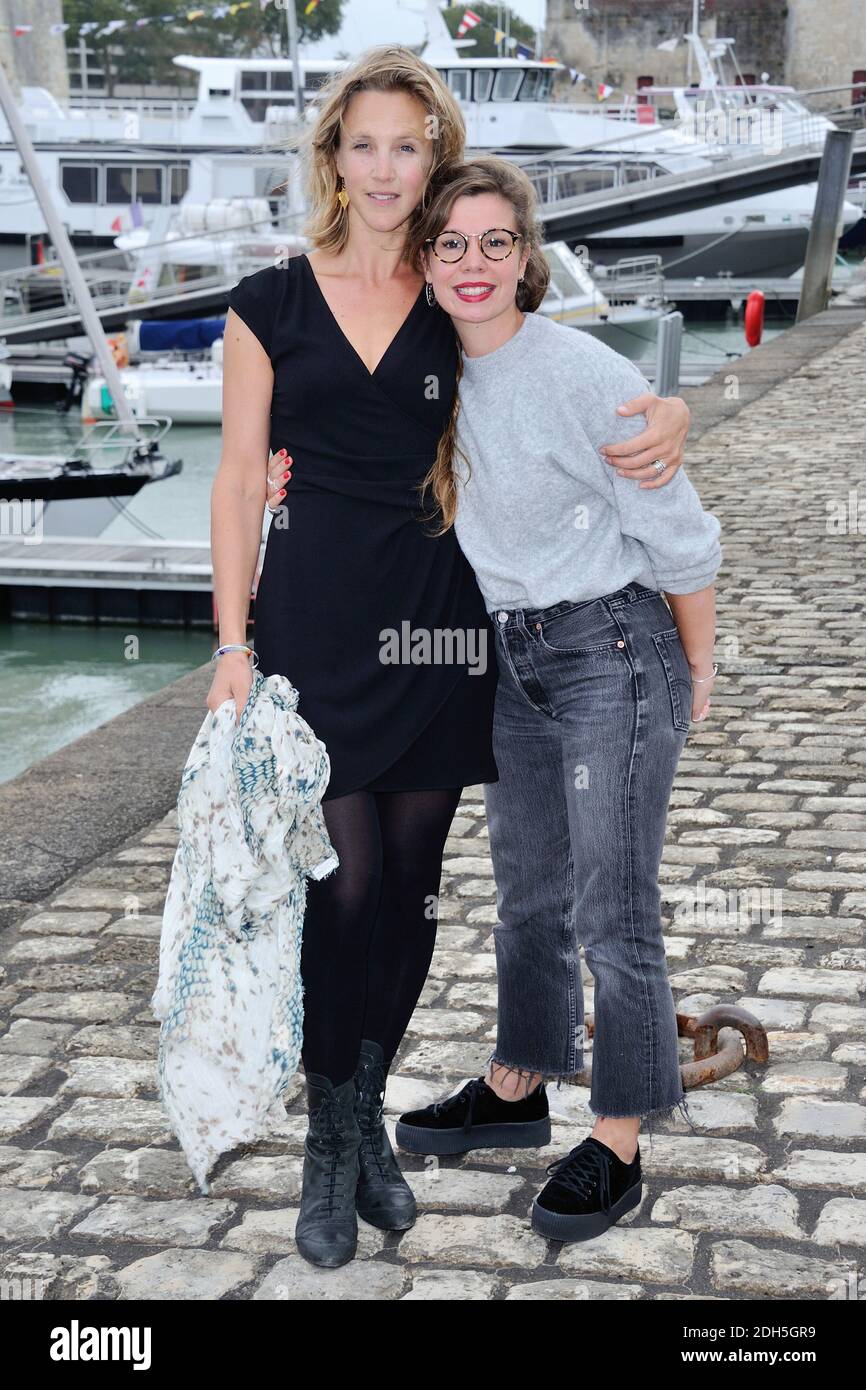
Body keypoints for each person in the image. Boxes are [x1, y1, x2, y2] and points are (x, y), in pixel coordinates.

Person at [219, 48, 693, 1270]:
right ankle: (331, 1146)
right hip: (316, 627)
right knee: (346, 882)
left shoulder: (450, 294)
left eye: (407, 146)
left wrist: (668, 410)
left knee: (422, 882)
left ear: (432, 158)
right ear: (332, 157)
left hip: (444, 627)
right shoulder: (267, 303)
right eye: (363, 144)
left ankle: (376, 1117)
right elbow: (235, 477)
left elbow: (557, 366)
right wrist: (229, 640)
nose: (385, 169)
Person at [388, 156, 722, 1246]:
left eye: (495, 243)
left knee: (609, 909)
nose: (473, 264)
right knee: (525, 891)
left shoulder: (577, 370)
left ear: (526, 259)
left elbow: (680, 531)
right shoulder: (429, 374)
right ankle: (516, 1082)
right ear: (425, 266)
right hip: (509, 658)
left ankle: (617, 1139)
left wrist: (696, 667)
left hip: (611, 649)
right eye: (451, 246)